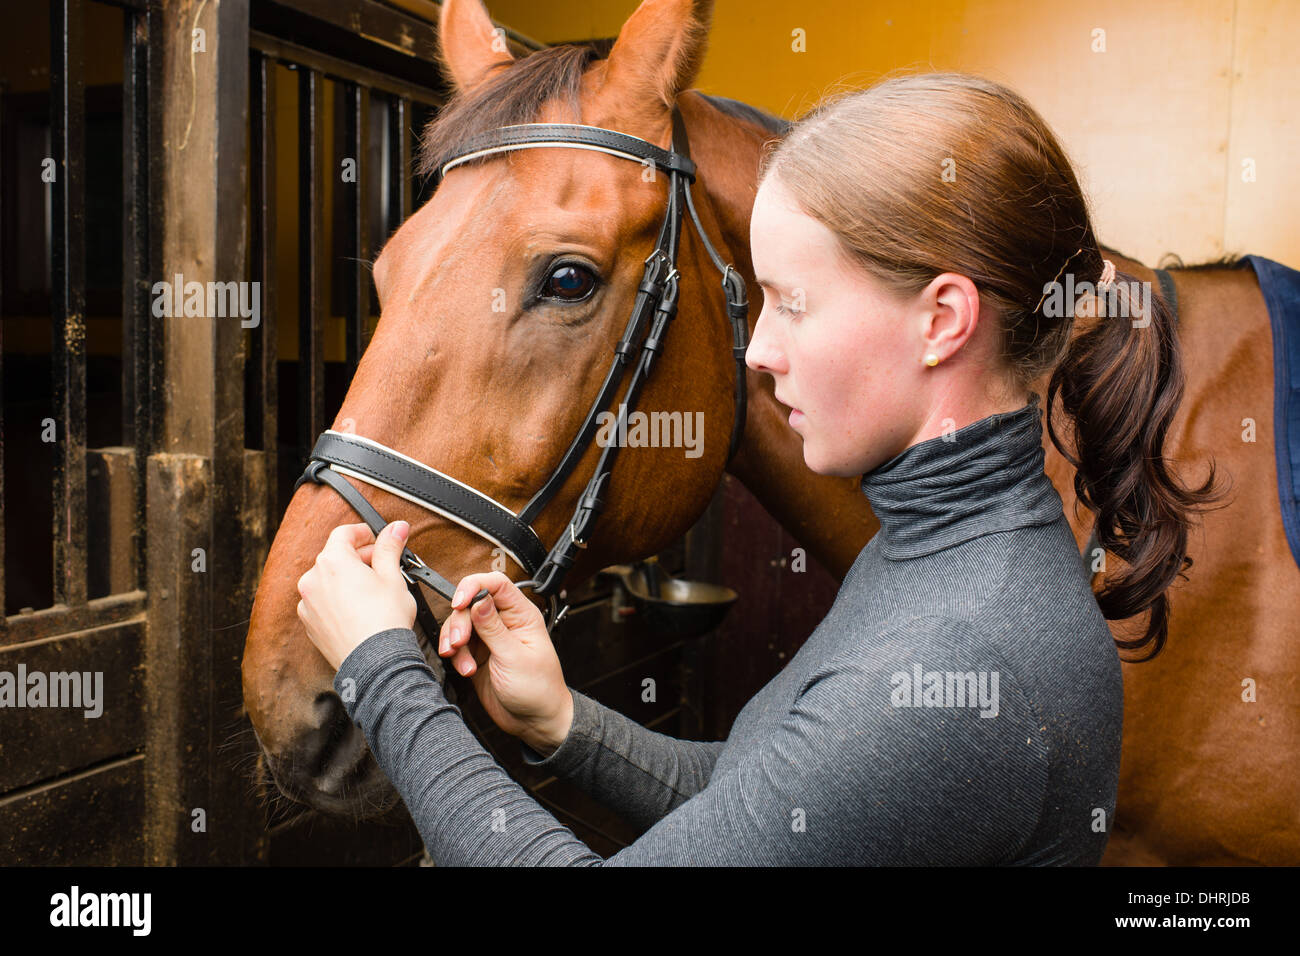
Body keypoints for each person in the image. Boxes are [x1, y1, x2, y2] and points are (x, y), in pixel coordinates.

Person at [296, 72, 1218, 865]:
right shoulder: (937, 554)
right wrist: (564, 724)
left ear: (941, 321)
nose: (759, 351)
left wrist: (384, 673)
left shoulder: (962, 658)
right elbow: (764, 797)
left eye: (791, 304)